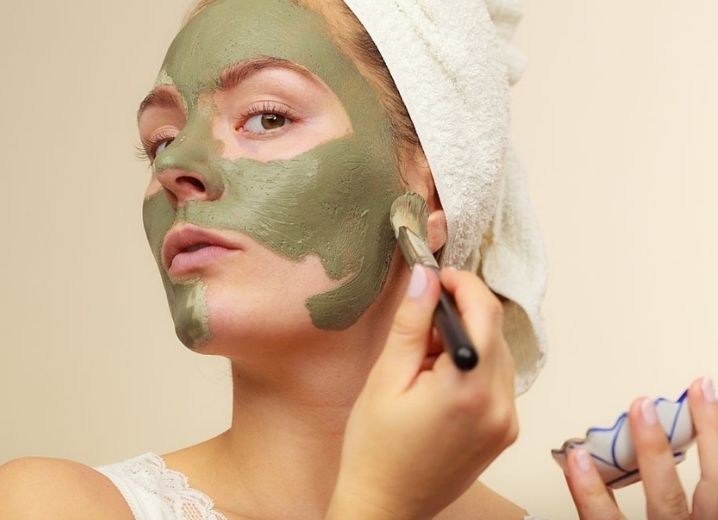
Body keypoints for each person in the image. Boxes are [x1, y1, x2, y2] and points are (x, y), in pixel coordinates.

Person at [1, 1, 715, 519]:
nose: (175, 168)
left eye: (268, 117)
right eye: (160, 140)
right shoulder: (50, 505)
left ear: (431, 193)